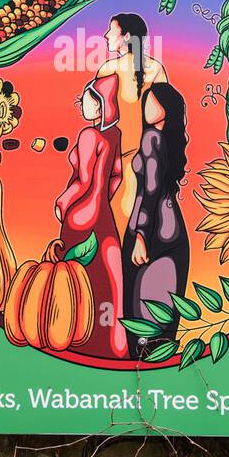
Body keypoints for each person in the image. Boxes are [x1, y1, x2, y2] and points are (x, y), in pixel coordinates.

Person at [55, 74, 127, 360]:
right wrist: (102, 201)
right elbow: (116, 176)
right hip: (103, 217)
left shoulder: (88, 135)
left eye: (84, 99)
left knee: (75, 278)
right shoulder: (115, 134)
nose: (79, 104)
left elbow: (83, 180)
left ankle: (77, 339)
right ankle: (111, 344)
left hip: (80, 216)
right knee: (107, 280)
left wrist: (62, 203)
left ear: (98, 107)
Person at [122, 82, 190, 358]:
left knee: (143, 324)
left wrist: (139, 236)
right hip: (172, 237)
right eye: (146, 100)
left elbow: (150, 192)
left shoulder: (151, 139)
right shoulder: (164, 140)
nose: (147, 104)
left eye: (154, 100)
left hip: (150, 237)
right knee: (161, 323)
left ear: (167, 109)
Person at [96, 13, 167, 240]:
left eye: (111, 31)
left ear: (126, 36)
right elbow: (167, 117)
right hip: (152, 157)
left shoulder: (108, 69)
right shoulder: (156, 69)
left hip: (118, 158)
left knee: (119, 220)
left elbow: (97, 118)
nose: (106, 36)